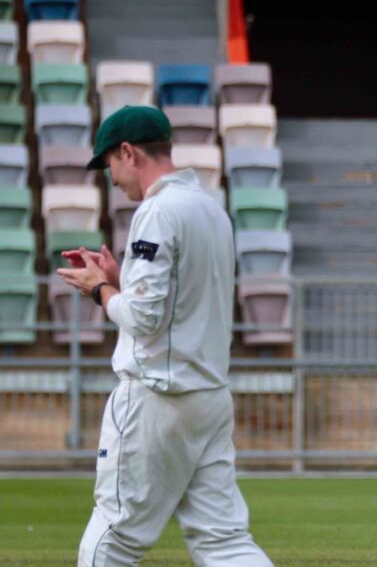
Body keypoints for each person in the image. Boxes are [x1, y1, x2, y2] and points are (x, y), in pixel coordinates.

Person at [57, 106, 273, 566]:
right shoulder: (210, 209)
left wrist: (100, 290)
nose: (112, 179)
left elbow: (145, 319)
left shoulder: (158, 210)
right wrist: (121, 277)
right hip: (209, 398)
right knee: (225, 542)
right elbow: (181, 294)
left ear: (128, 152)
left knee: (112, 537)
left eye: (111, 164)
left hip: (158, 395)